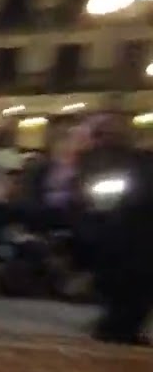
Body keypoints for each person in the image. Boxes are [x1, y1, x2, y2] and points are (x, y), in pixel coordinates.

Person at [76, 115, 153, 345]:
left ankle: (121, 327)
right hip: (117, 229)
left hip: (135, 228)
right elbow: (95, 198)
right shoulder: (94, 160)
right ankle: (116, 328)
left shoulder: (139, 160)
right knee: (126, 281)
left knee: (135, 282)